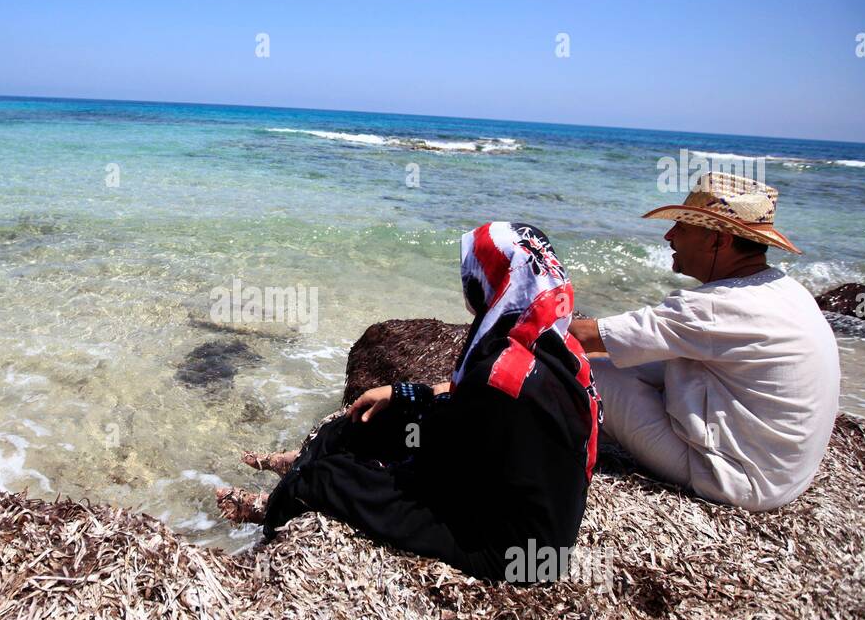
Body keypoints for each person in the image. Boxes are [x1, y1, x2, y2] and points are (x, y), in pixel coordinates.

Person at [217, 221, 603, 583]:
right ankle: (295, 464)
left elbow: (443, 452)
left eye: (473, 274)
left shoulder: (501, 375)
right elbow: (463, 412)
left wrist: (373, 472)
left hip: (516, 551)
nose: (467, 282)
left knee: (327, 480)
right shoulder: (553, 343)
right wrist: (401, 395)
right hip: (504, 495)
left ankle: (269, 515)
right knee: (373, 419)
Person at [569, 171, 839, 512]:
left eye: (683, 227)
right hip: (784, 473)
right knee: (638, 361)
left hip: (736, 479)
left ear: (719, 241)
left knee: (599, 374)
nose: (669, 235)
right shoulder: (785, 288)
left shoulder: (715, 307)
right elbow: (639, 340)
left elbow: (587, 337)